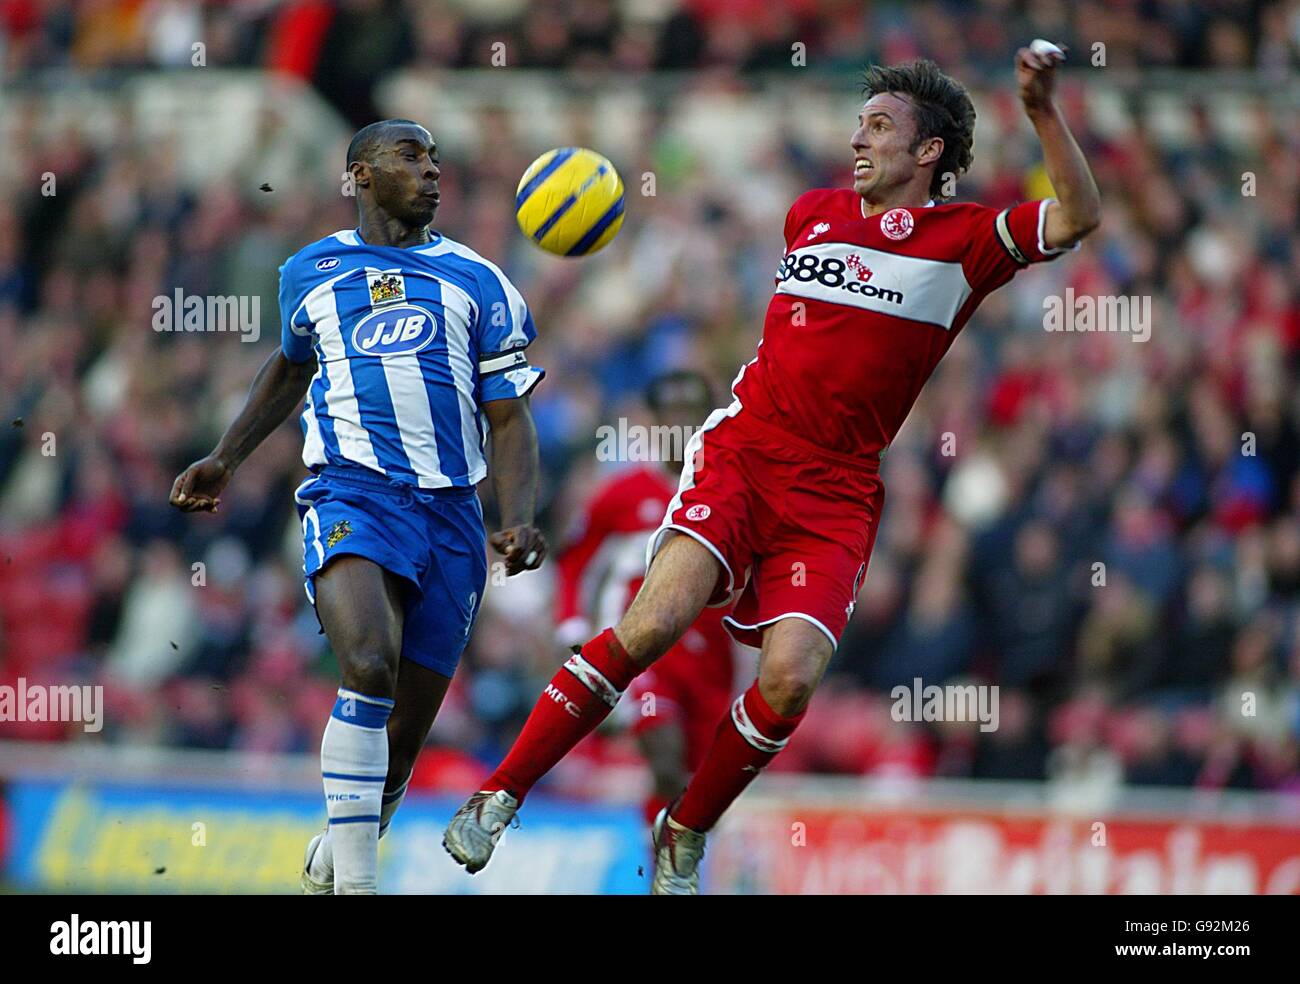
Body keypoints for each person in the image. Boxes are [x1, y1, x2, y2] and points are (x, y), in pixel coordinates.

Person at [444, 48, 1101, 894]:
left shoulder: (967, 241)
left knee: (789, 685)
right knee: (650, 628)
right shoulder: (811, 215)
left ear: (928, 151)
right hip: (747, 450)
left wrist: (1043, 110)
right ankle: (499, 795)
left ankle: (684, 829)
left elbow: (1078, 216)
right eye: (860, 124)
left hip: (837, 490)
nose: (858, 140)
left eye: (880, 127)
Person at [169, 119, 547, 894]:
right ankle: (360, 888)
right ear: (361, 176)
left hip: (450, 519)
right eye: (411, 156)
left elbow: (508, 414)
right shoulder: (310, 271)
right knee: (367, 665)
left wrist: (515, 515)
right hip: (354, 493)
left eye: (437, 158)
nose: (433, 170)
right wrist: (226, 456)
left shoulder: (480, 282)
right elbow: (290, 365)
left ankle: (335, 853)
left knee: (399, 747)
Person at [552, 371, 735, 828]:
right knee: (666, 759)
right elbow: (576, 562)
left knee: (695, 784)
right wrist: (574, 629)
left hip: (713, 661)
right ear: (654, 422)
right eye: (671, 415)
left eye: (692, 415)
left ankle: (664, 869)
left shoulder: (729, 491)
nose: (682, 425)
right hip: (646, 657)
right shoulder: (624, 493)